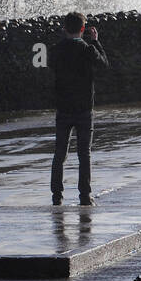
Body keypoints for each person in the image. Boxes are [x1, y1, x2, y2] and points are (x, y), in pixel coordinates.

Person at [50, 11, 108, 207]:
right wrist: (96, 42)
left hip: (63, 109)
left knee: (60, 154)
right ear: (83, 29)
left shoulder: (56, 50)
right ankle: (85, 196)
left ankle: (56, 196)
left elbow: (48, 68)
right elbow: (104, 65)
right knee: (84, 154)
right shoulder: (87, 50)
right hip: (84, 109)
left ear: (64, 28)